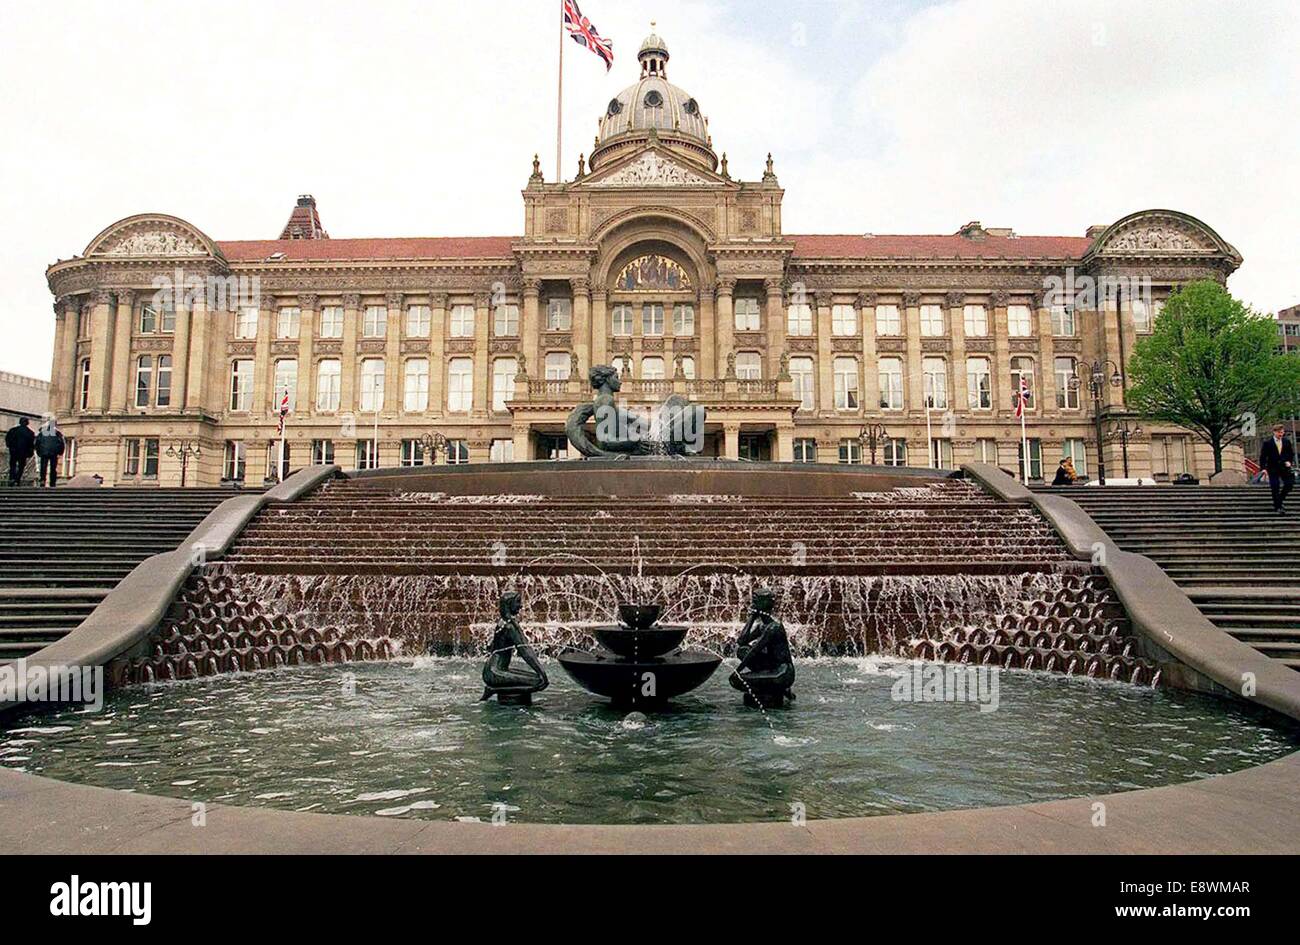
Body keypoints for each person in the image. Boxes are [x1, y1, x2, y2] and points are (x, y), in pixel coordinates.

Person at [730, 586, 796, 708]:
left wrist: (737, 672)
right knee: (742, 651)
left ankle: (782, 687)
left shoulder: (773, 627)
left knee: (736, 680)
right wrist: (752, 618)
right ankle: (778, 688)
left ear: (763, 604)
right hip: (771, 666)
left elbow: (755, 651)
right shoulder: (762, 626)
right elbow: (742, 641)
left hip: (783, 673)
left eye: (755, 601)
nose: (752, 604)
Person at [480, 591, 548, 704]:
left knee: (536, 677)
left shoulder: (503, 622)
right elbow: (525, 651)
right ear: (509, 604)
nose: (520, 606)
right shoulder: (509, 627)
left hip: (496, 669)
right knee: (538, 681)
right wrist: (542, 672)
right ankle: (493, 689)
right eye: (517, 602)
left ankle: (494, 689)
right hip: (494, 672)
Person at [1259, 422, 1295, 514]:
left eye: (1282, 432)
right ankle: (1278, 507)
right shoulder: (1267, 443)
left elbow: (1290, 454)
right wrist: (1263, 468)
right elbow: (1263, 456)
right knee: (1275, 486)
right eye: (1279, 432)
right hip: (1272, 468)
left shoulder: (1286, 442)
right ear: (1274, 432)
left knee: (1289, 484)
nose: (1281, 434)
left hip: (1284, 467)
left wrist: (1289, 462)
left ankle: (1279, 500)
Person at [34, 418, 65, 488]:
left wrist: (39, 452)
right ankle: (52, 482)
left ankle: (42, 480)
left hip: (44, 452)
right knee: (53, 468)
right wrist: (60, 452)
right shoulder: (57, 433)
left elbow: (37, 443)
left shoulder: (42, 433)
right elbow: (61, 443)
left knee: (43, 467)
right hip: (54, 453)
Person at [5, 417, 36, 486]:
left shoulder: (13, 430)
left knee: (12, 465)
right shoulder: (30, 433)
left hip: (14, 451)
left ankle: (12, 478)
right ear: (27, 423)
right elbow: (31, 445)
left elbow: (7, 439)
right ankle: (17, 479)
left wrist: (10, 447)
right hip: (23, 453)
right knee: (21, 467)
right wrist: (30, 453)